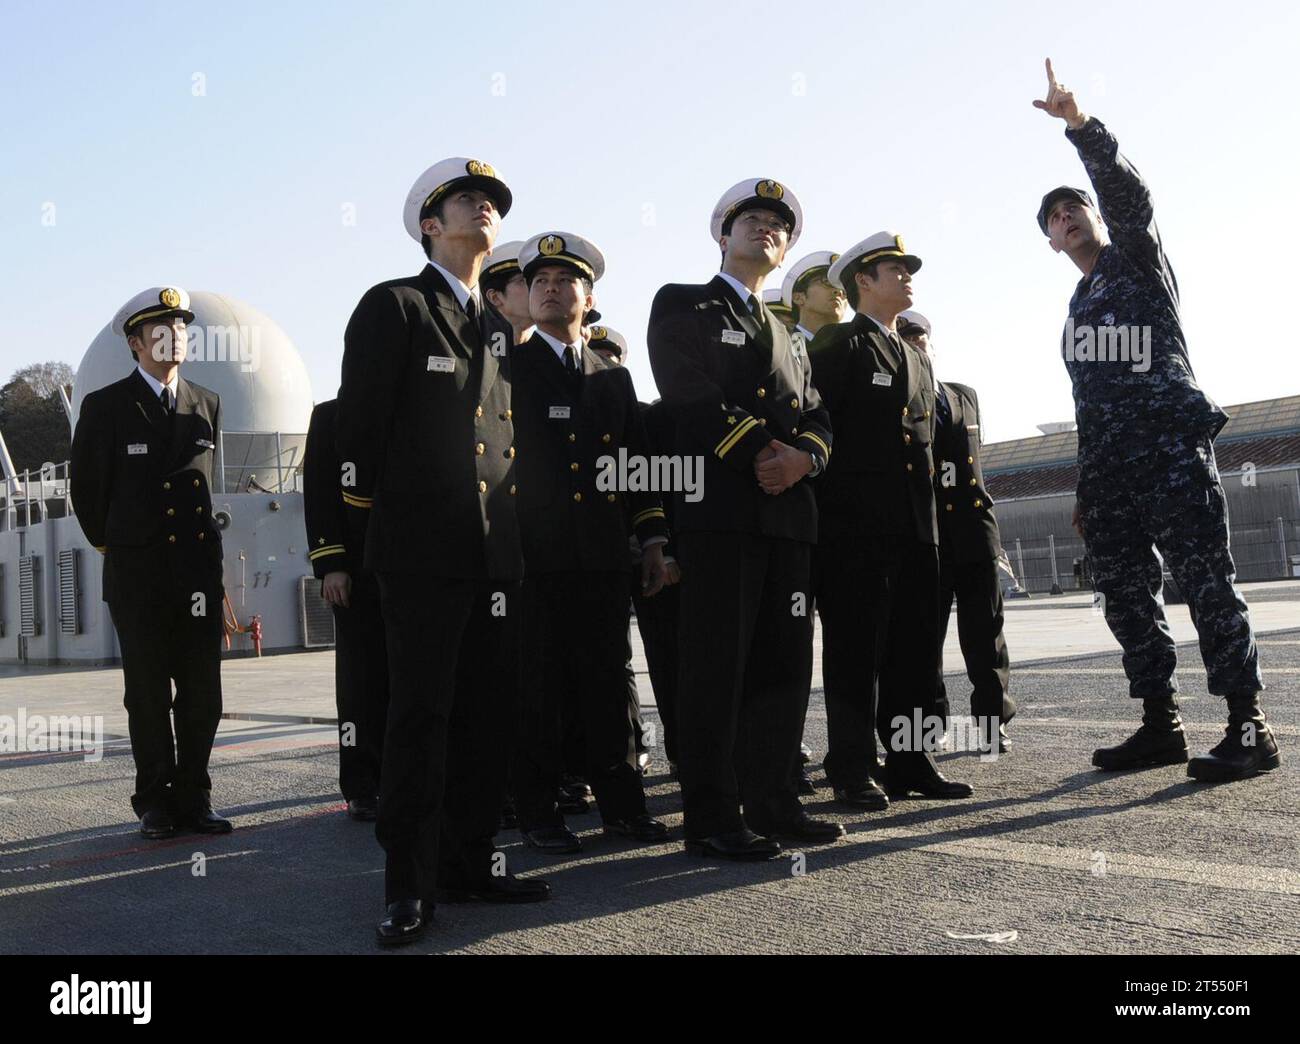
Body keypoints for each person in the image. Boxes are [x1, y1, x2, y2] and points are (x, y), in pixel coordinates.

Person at [1033, 60, 1277, 781]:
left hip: (1170, 454)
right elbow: (1087, 409)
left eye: (1074, 207)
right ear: (1050, 242)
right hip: (1111, 477)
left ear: (1094, 217)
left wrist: (1080, 125)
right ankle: (1160, 724)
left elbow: (1129, 198)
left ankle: (1249, 728)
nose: (1066, 217)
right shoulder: (1076, 311)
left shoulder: (1136, 262)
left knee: (1206, 584)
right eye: (1054, 218)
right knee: (1126, 595)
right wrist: (1087, 487)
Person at [337, 157, 549, 948]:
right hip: (422, 554)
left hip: (493, 556)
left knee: (487, 716)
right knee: (420, 718)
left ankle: (470, 865)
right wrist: (366, 541)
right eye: (468, 199)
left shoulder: (493, 326)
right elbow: (360, 430)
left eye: (492, 200)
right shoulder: (396, 306)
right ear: (431, 224)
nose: (484, 208)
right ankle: (409, 887)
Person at [648, 177, 843, 859]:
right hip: (722, 514)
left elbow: (817, 413)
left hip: (787, 518)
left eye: (778, 225)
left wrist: (803, 459)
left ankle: (774, 801)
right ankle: (711, 819)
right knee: (715, 669)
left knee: (783, 668)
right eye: (752, 219)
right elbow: (687, 390)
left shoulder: (788, 332)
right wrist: (762, 450)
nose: (766, 229)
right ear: (723, 235)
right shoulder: (683, 303)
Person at [510, 232, 670, 853]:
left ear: (589, 296)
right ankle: (539, 812)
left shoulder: (613, 378)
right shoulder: (509, 369)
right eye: (540, 282)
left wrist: (652, 541)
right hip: (534, 559)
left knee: (608, 683)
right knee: (539, 686)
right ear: (528, 296)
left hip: (602, 558)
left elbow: (637, 468)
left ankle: (624, 808)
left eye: (565, 281)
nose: (551, 290)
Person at [810, 234, 974, 809]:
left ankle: (910, 760)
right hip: (856, 531)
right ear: (863, 280)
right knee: (857, 652)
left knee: (914, 652)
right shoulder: (839, 344)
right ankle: (852, 766)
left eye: (909, 270)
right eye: (894, 269)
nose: (907, 277)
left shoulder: (916, 356)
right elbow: (818, 428)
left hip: (916, 529)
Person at [70, 286, 231, 840]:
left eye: (181, 327)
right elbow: (87, 493)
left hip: (197, 575)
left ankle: (195, 796)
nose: (174, 336)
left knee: (203, 693)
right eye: (162, 328)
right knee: (147, 694)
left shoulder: (206, 403)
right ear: (136, 343)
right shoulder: (106, 407)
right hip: (139, 575)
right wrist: (121, 549)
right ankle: (155, 801)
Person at [897, 310, 1015, 753]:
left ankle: (992, 721)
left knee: (986, 634)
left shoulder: (964, 395)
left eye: (920, 336)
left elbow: (974, 464)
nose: (916, 343)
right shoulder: (897, 400)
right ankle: (931, 724)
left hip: (975, 529)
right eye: (905, 338)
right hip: (927, 533)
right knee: (925, 639)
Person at [303, 397, 388, 820]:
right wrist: (331, 564)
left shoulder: (413, 404)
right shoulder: (330, 417)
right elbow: (319, 493)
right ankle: (362, 783)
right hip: (356, 572)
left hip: (414, 568)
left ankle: (408, 777)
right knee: (360, 682)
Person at [781, 250, 847, 345]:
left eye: (844, 288)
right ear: (798, 298)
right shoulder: (781, 346)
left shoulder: (856, 347)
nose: (839, 291)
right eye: (826, 282)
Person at [480, 239, 534, 345]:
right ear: (495, 297)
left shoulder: (554, 352)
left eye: (539, 280)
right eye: (523, 281)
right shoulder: (475, 348)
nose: (537, 288)